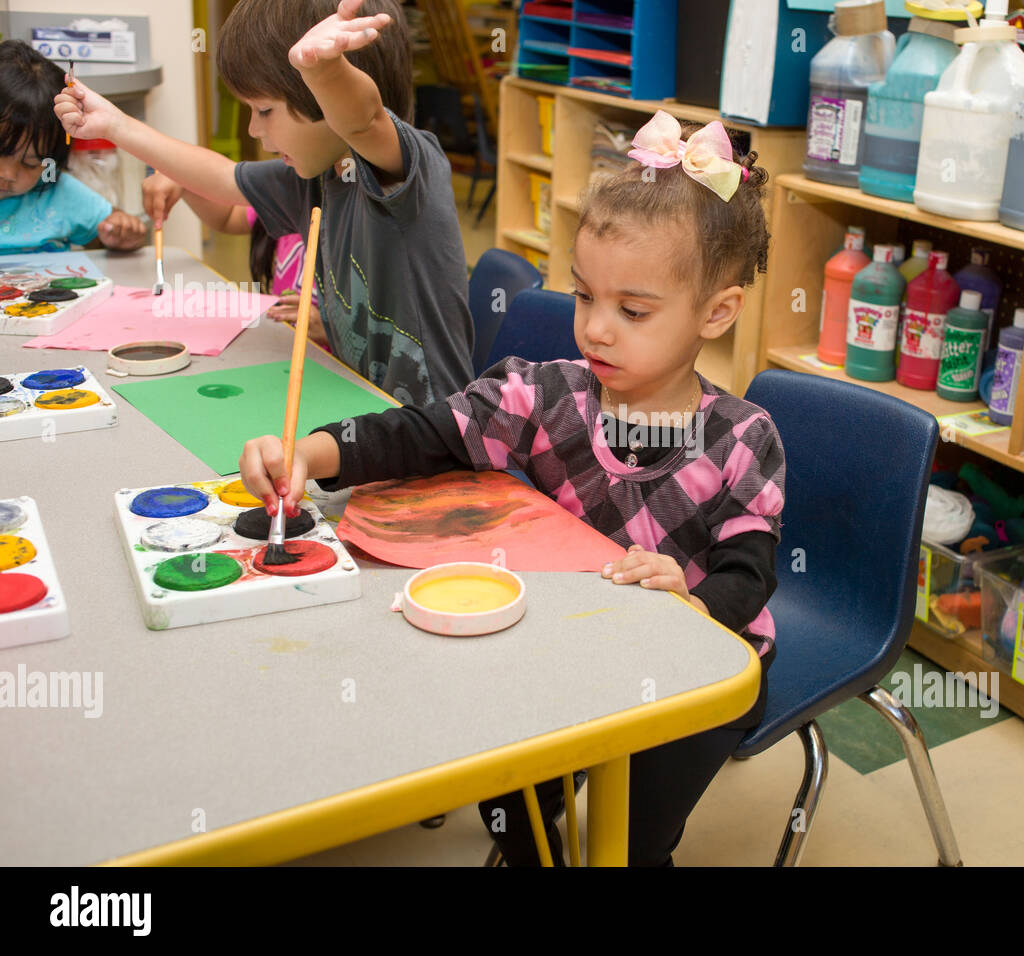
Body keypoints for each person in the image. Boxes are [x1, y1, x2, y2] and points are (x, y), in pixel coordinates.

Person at [235, 112, 786, 866]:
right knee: (509, 778)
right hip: (575, 638)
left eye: (632, 311)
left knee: (632, 839)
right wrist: (312, 452)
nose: (594, 329)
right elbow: (426, 435)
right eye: (583, 296)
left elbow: (749, 577)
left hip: (696, 664)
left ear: (717, 313)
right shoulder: (544, 394)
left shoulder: (743, 438)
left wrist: (694, 606)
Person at [55, 0, 472, 405]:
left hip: (440, 444)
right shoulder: (317, 178)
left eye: (265, 109)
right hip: (365, 419)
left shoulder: (408, 170)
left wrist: (323, 71)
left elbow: (363, 120)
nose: (254, 129)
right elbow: (219, 178)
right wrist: (115, 124)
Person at [142, 172, 328, 349]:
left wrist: (329, 331)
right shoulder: (287, 193)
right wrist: (184, 183)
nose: (257, 136)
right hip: (280, 350)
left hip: (336, 370)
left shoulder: (348, 209)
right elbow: (229, 216)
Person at [0, 40, 146, 254]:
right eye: (1, 152)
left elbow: (110, 224)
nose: (8, 174)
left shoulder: (55, 190)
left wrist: (121, 232)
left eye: (31, 164)